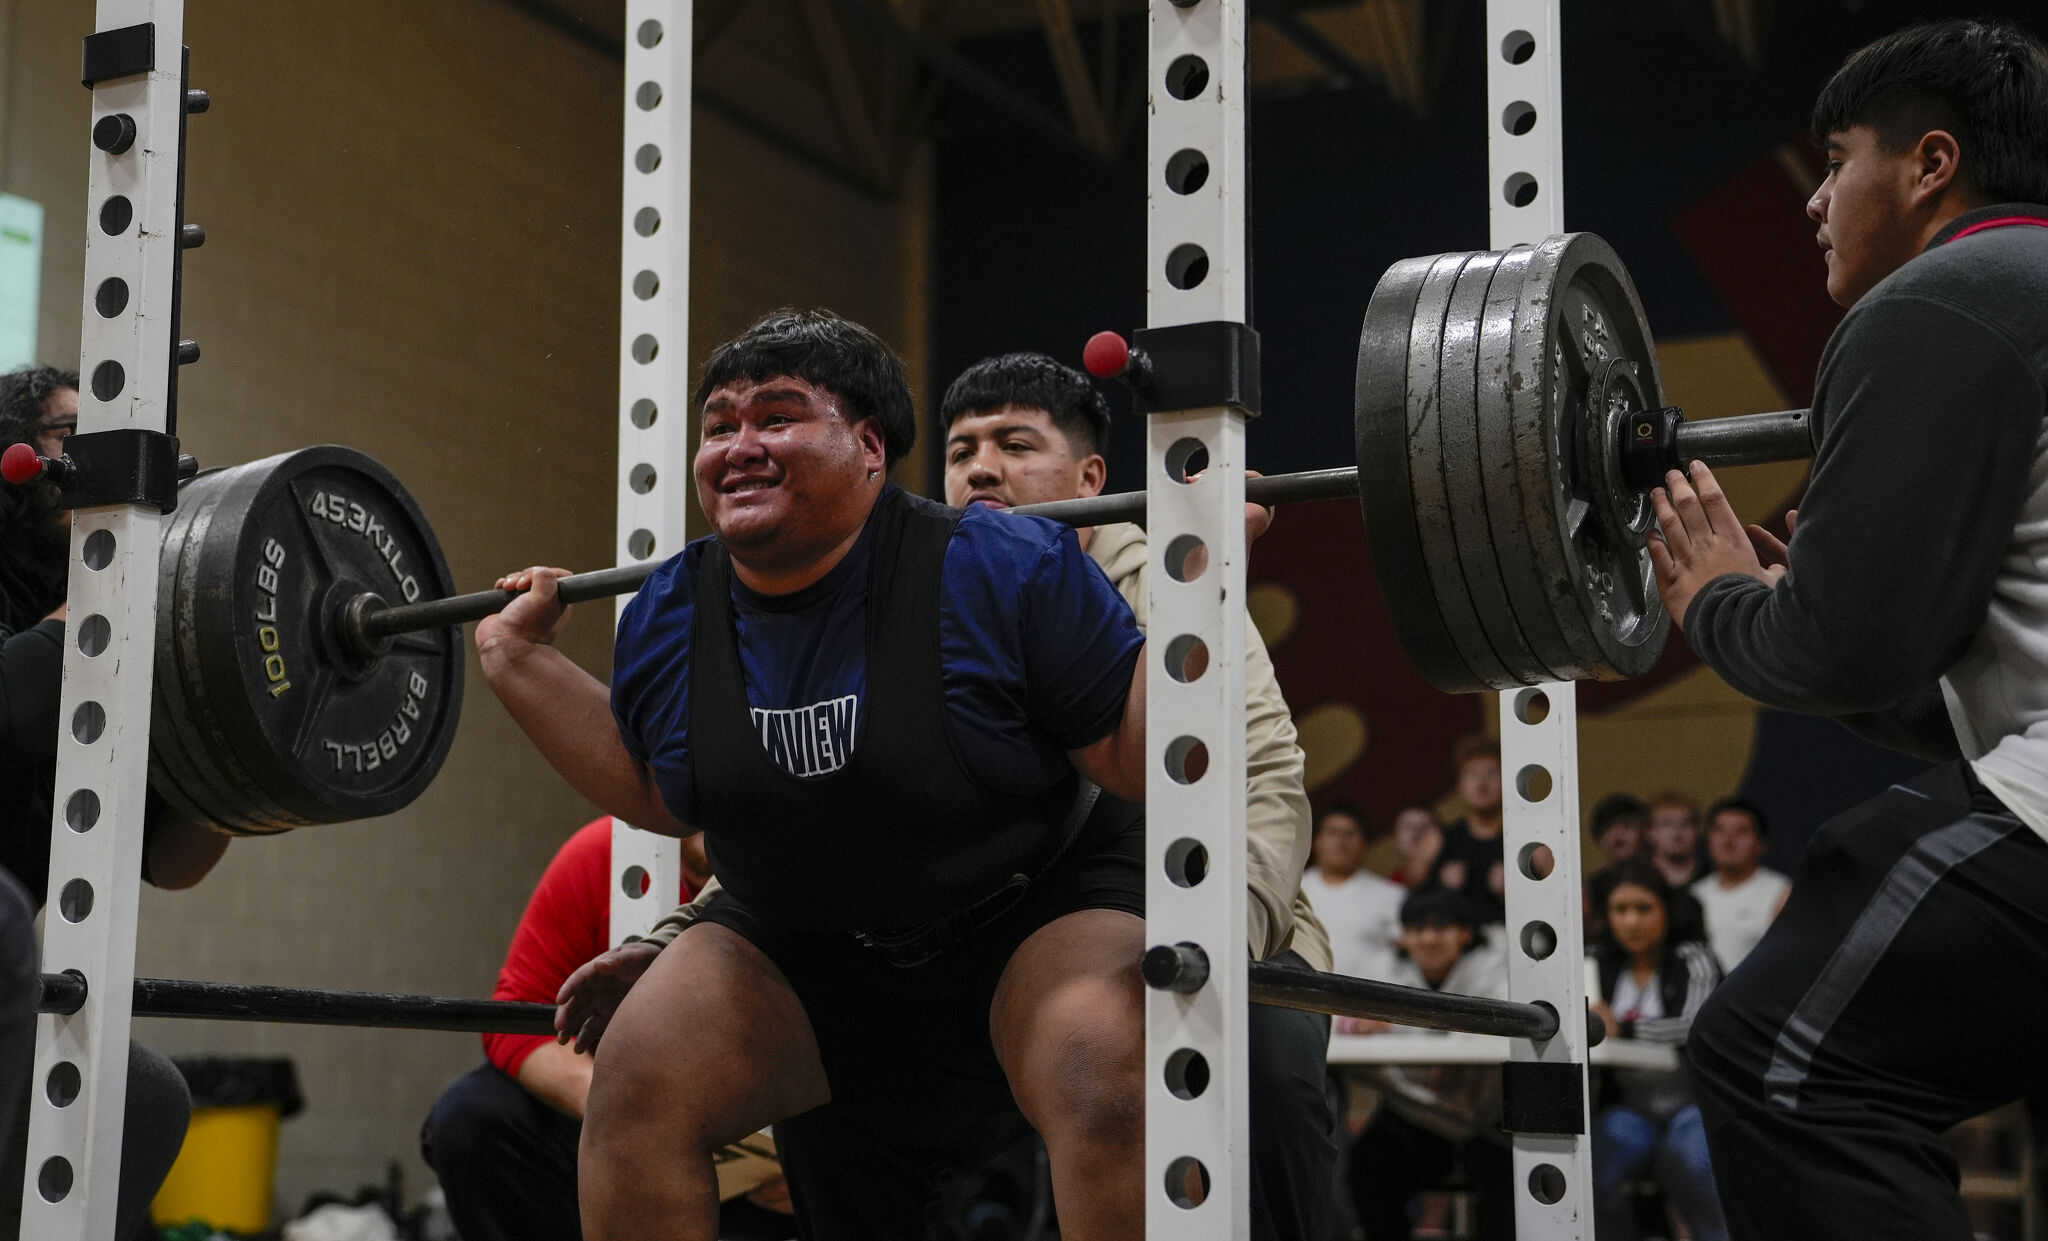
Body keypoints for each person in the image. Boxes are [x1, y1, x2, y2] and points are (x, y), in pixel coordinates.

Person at [480, 312, 1180, 1240]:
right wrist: (514, 660)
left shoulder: (998, 566)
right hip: (805, 934)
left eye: (777, 417)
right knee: (640, 1080)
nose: (740, 447)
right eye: (720, 426)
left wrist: (1201, 576)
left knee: (1104, 1069)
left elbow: (1135, 761)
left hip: (1029, 908)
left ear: (869, 447)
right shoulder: (672, 607)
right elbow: (660, 792)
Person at [1645, 20, 2048, 1239]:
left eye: (1834, 161)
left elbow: (1844, 653)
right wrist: (1800, 610)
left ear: (1929, 164)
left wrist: (1717, 599)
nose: (1813, 199)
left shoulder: (1947, 294)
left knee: (1782, 1060)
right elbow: (1924, 680)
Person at [0, 365, 230, 1241]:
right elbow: (8, 710)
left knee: (143, 1099)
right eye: (69, 437)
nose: (92, 463)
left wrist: (236, 768)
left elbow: (168, 862)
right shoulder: (70, 628)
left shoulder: (100, 654)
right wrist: (99, 597)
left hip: (17, 981)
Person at [420, 820, 798, 1239]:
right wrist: (626, 1108)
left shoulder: (815, 865)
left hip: (762, 1165)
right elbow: (517, 1015)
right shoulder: (609, 851)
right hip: (628, 1137)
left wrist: (808, 1159)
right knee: (473, 1117)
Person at [1341, 888, 1512, 1241]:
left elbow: (1505, 1021)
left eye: (1441, 928)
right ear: (1403, 936)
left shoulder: (1494, 966)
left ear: (1464, 934)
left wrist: (1400, 1029)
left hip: (1490, 1120)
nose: (1429, 938)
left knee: (1513, 1190)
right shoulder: (1379, 970)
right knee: (1367, 1165)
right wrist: (1358, 1024)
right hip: (1413, 1114)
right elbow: (1345, 1021)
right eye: (1418, 929)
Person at [1586, 861, 1727, 1241]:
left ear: (1667, 910)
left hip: (1693, 1105)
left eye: (1643, 909)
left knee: (1698, 1168)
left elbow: (1694, 1024)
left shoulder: (1694, 957)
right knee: (1589, 1176)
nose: (1632, 921)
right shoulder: (1595, 962)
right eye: (1621, 910)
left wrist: (1621, 1027)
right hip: (1630, 1109)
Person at [1300, 802, 1403, 982]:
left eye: (1350, 834)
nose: (1341, 841)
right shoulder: (1293, 891)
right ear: (1316, 840)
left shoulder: (1392, 896)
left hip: (1368, 1004)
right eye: (1332, 833)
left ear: (1365, 843)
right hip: (1297, 1002)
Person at [1687, 799, 1788, 973]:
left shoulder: (1780, 893)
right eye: (1719, 830)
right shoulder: (1694, 894)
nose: (1728, 840)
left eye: (1741, 831)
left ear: (1760, 844)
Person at [1425, 736, 1505, 923]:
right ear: (1459, 785)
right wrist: (1443, 891)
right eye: (1473, 774)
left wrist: (1524, 891)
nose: (1482, 784)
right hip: (1455, 947)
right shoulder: (1436, 840)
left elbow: (1573, 908)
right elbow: (1410, 906)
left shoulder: (1532, 843)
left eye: (1492, 773)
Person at [1646, 792, 1704, 888]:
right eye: (1667, 824)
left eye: (1685, 824)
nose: (1677, 832)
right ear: (1650, 832)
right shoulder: (1637, 879)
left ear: (1697, 831)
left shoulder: (1713, 875)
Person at [1385, 805, 1442, 888]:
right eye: (1408, 826)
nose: (1417, 830)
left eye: (1426, 825)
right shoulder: (1391, 887)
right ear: (1395, 840)